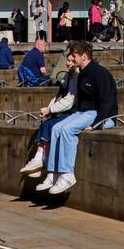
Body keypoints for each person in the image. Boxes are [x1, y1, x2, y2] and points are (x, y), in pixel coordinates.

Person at [33, 42, 118, 195]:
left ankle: (67, 174)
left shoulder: (99, 73)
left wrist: (97, 123)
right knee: (56, 128)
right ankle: (53, 173)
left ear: (84, 57)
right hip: (83, 112)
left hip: (97, 114)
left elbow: (107, 101)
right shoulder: (81, 73)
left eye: (74, 56)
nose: (71, 58)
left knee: (66, 129)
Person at [19, 66, 81, 181]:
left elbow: (69, 101)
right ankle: (38, 163)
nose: (68, 63)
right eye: (68, 60)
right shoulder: (68, 75)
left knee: (50, 125)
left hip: (73, 111)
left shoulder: (77, 76)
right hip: (64, 110)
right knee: (45, 124)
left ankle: (40, 162)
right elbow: (58, 95)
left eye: (72, 60)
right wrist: (49, 108)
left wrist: (50, 110)